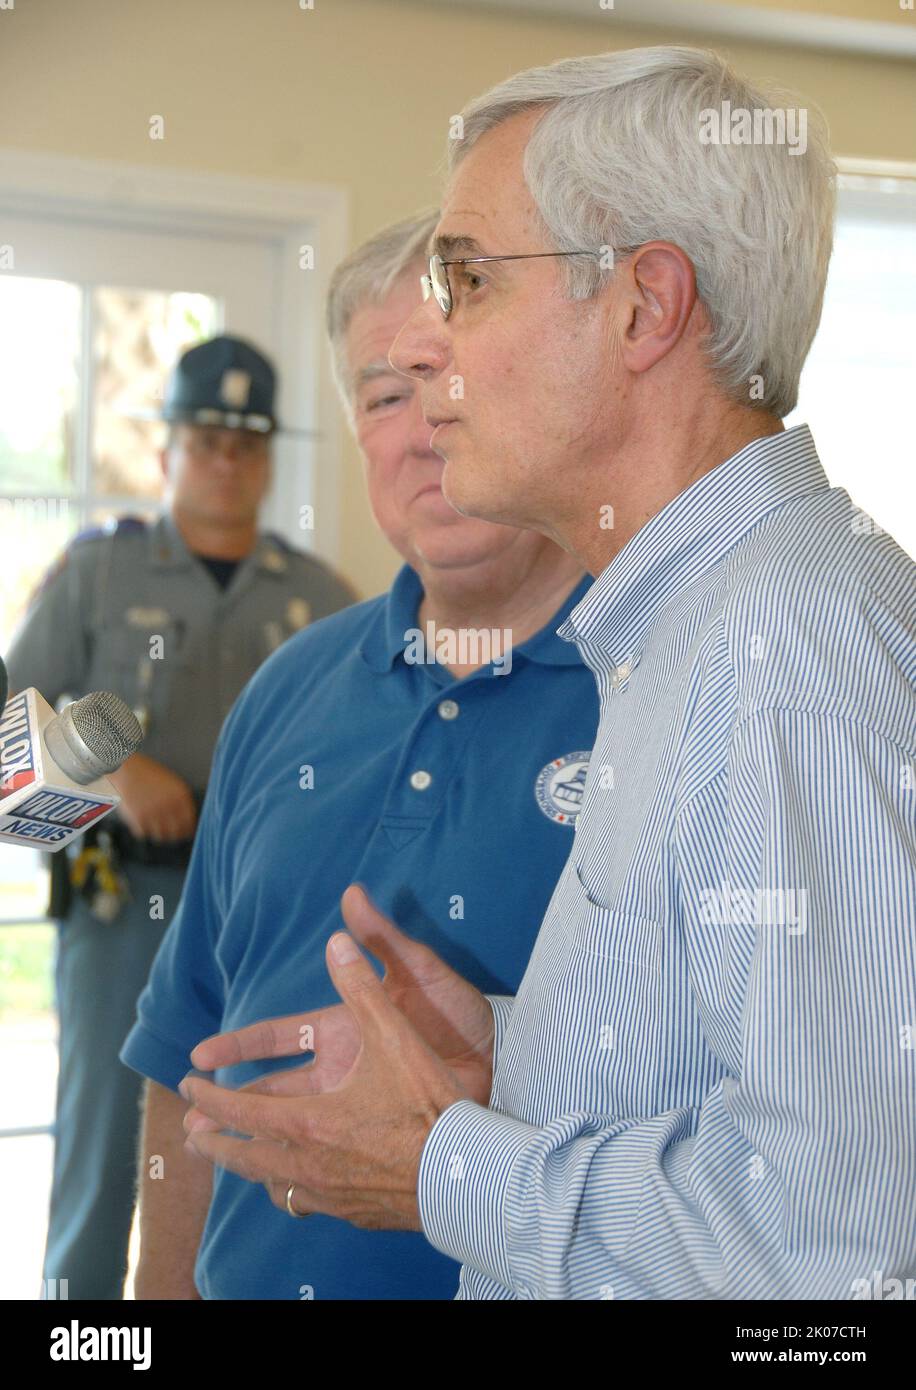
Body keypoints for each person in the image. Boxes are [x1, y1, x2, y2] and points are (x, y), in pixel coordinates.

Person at [179, 47, 915, 1300]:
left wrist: (446, 1167)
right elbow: (733, 1091)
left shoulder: (782, 646)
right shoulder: (689, 626)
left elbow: (835, 1253)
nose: (434, 360)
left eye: (466, 280)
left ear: (643, 308)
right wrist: (512, 1061)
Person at [120, 210, 600, 1299]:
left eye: (454, 374)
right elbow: (186, 1043)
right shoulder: (290, 685)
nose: (426, 424)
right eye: (384, 394)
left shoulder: (657, 684)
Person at [5, 334, 355, 1300]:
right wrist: (111, 777)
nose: (226, 462)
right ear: (165, 452)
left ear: (269, 460)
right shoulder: (96, 577)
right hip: (123, 912)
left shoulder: (321, 600)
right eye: (205, 440)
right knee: (101, 1155)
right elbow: (4, 756)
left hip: (266, 924)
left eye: (246, 445)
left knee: (249, 1149)